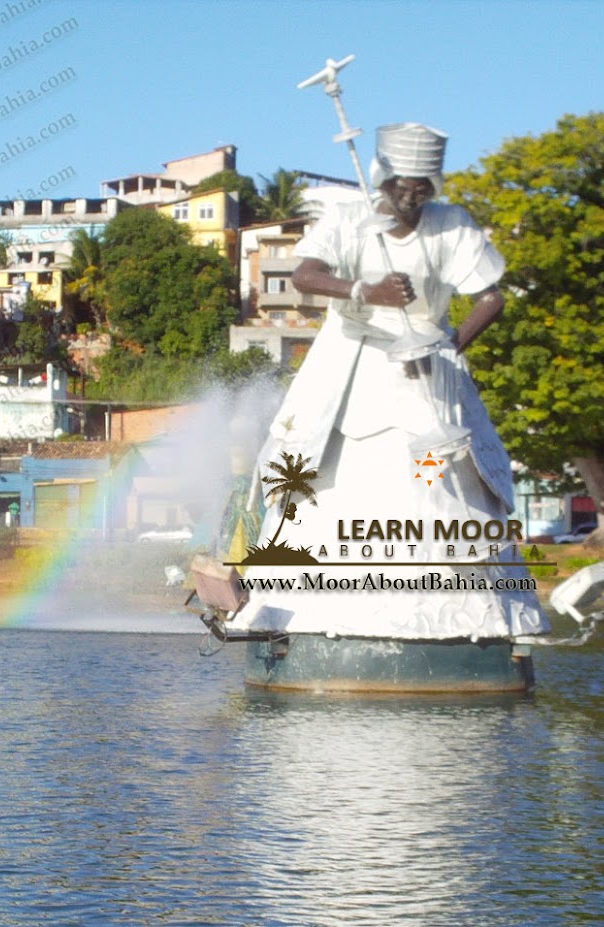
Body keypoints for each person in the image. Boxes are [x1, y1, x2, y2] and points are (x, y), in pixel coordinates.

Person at [228, 123, 546, 641]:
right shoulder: (349, 218)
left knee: (436, 479)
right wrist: (364, 290)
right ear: (382, 180)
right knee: (321, 481)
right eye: (399, 186)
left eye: (420, 188)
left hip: (426, 370)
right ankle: (299, 611)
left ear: (432, 186)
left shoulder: (452, 225)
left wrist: (450, 345)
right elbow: (305, 275)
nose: (408, 197)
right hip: (350, 362)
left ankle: (471, 618)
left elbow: (492, 297)